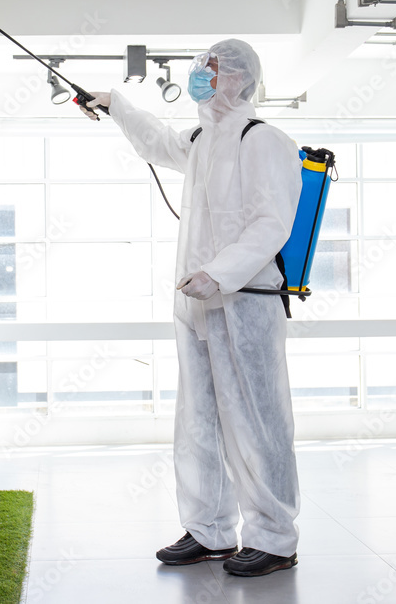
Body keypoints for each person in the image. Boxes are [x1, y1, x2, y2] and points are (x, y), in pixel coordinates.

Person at [80, 39, 303, 578]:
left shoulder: (264, 140)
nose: (202, 74)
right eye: (201, 66)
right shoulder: (204, 140)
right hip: (198, 306)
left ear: (240, 78)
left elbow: (271, 224)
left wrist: (219, 273)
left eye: (213, 67)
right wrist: (116, 104)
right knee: (199, 419)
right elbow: (158, 142)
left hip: (244, 303)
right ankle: (210, 531)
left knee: (256, 422)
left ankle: (275, 537)